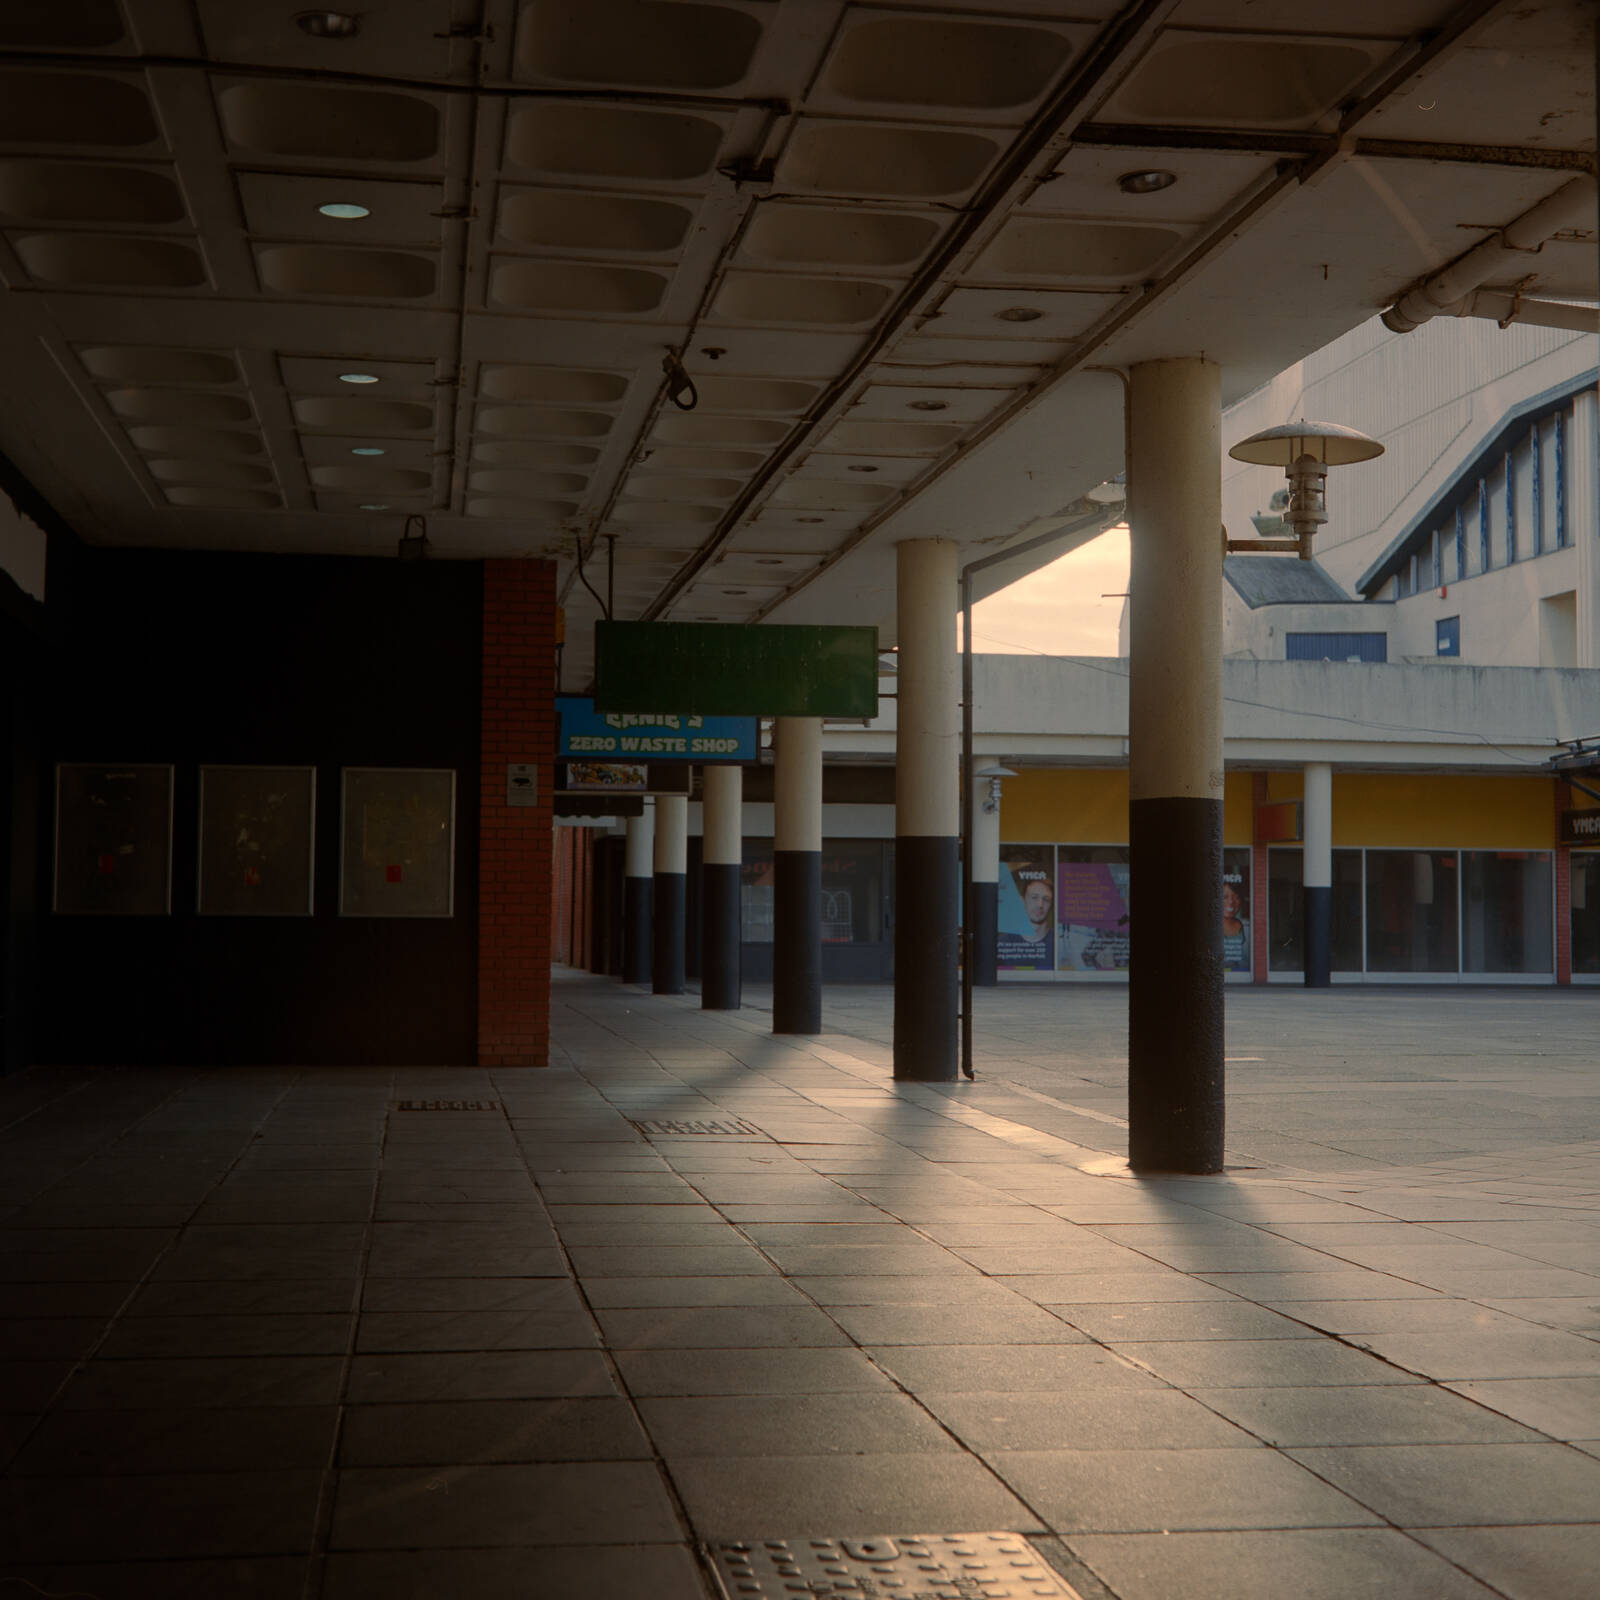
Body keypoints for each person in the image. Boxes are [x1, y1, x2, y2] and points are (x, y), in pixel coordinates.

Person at [1222, 879, 1250, 971]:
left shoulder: (1248, 928)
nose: (1231, 902)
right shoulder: (1210, 929)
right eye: (1225, 897)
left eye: (1236, 897)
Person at [1019, 876, 1053, 942]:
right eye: (1034, 897)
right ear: (1022, 901)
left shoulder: (1059, 942)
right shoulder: (1003, 942)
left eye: (1046, 899)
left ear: (1051, 905)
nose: (1040, 905)